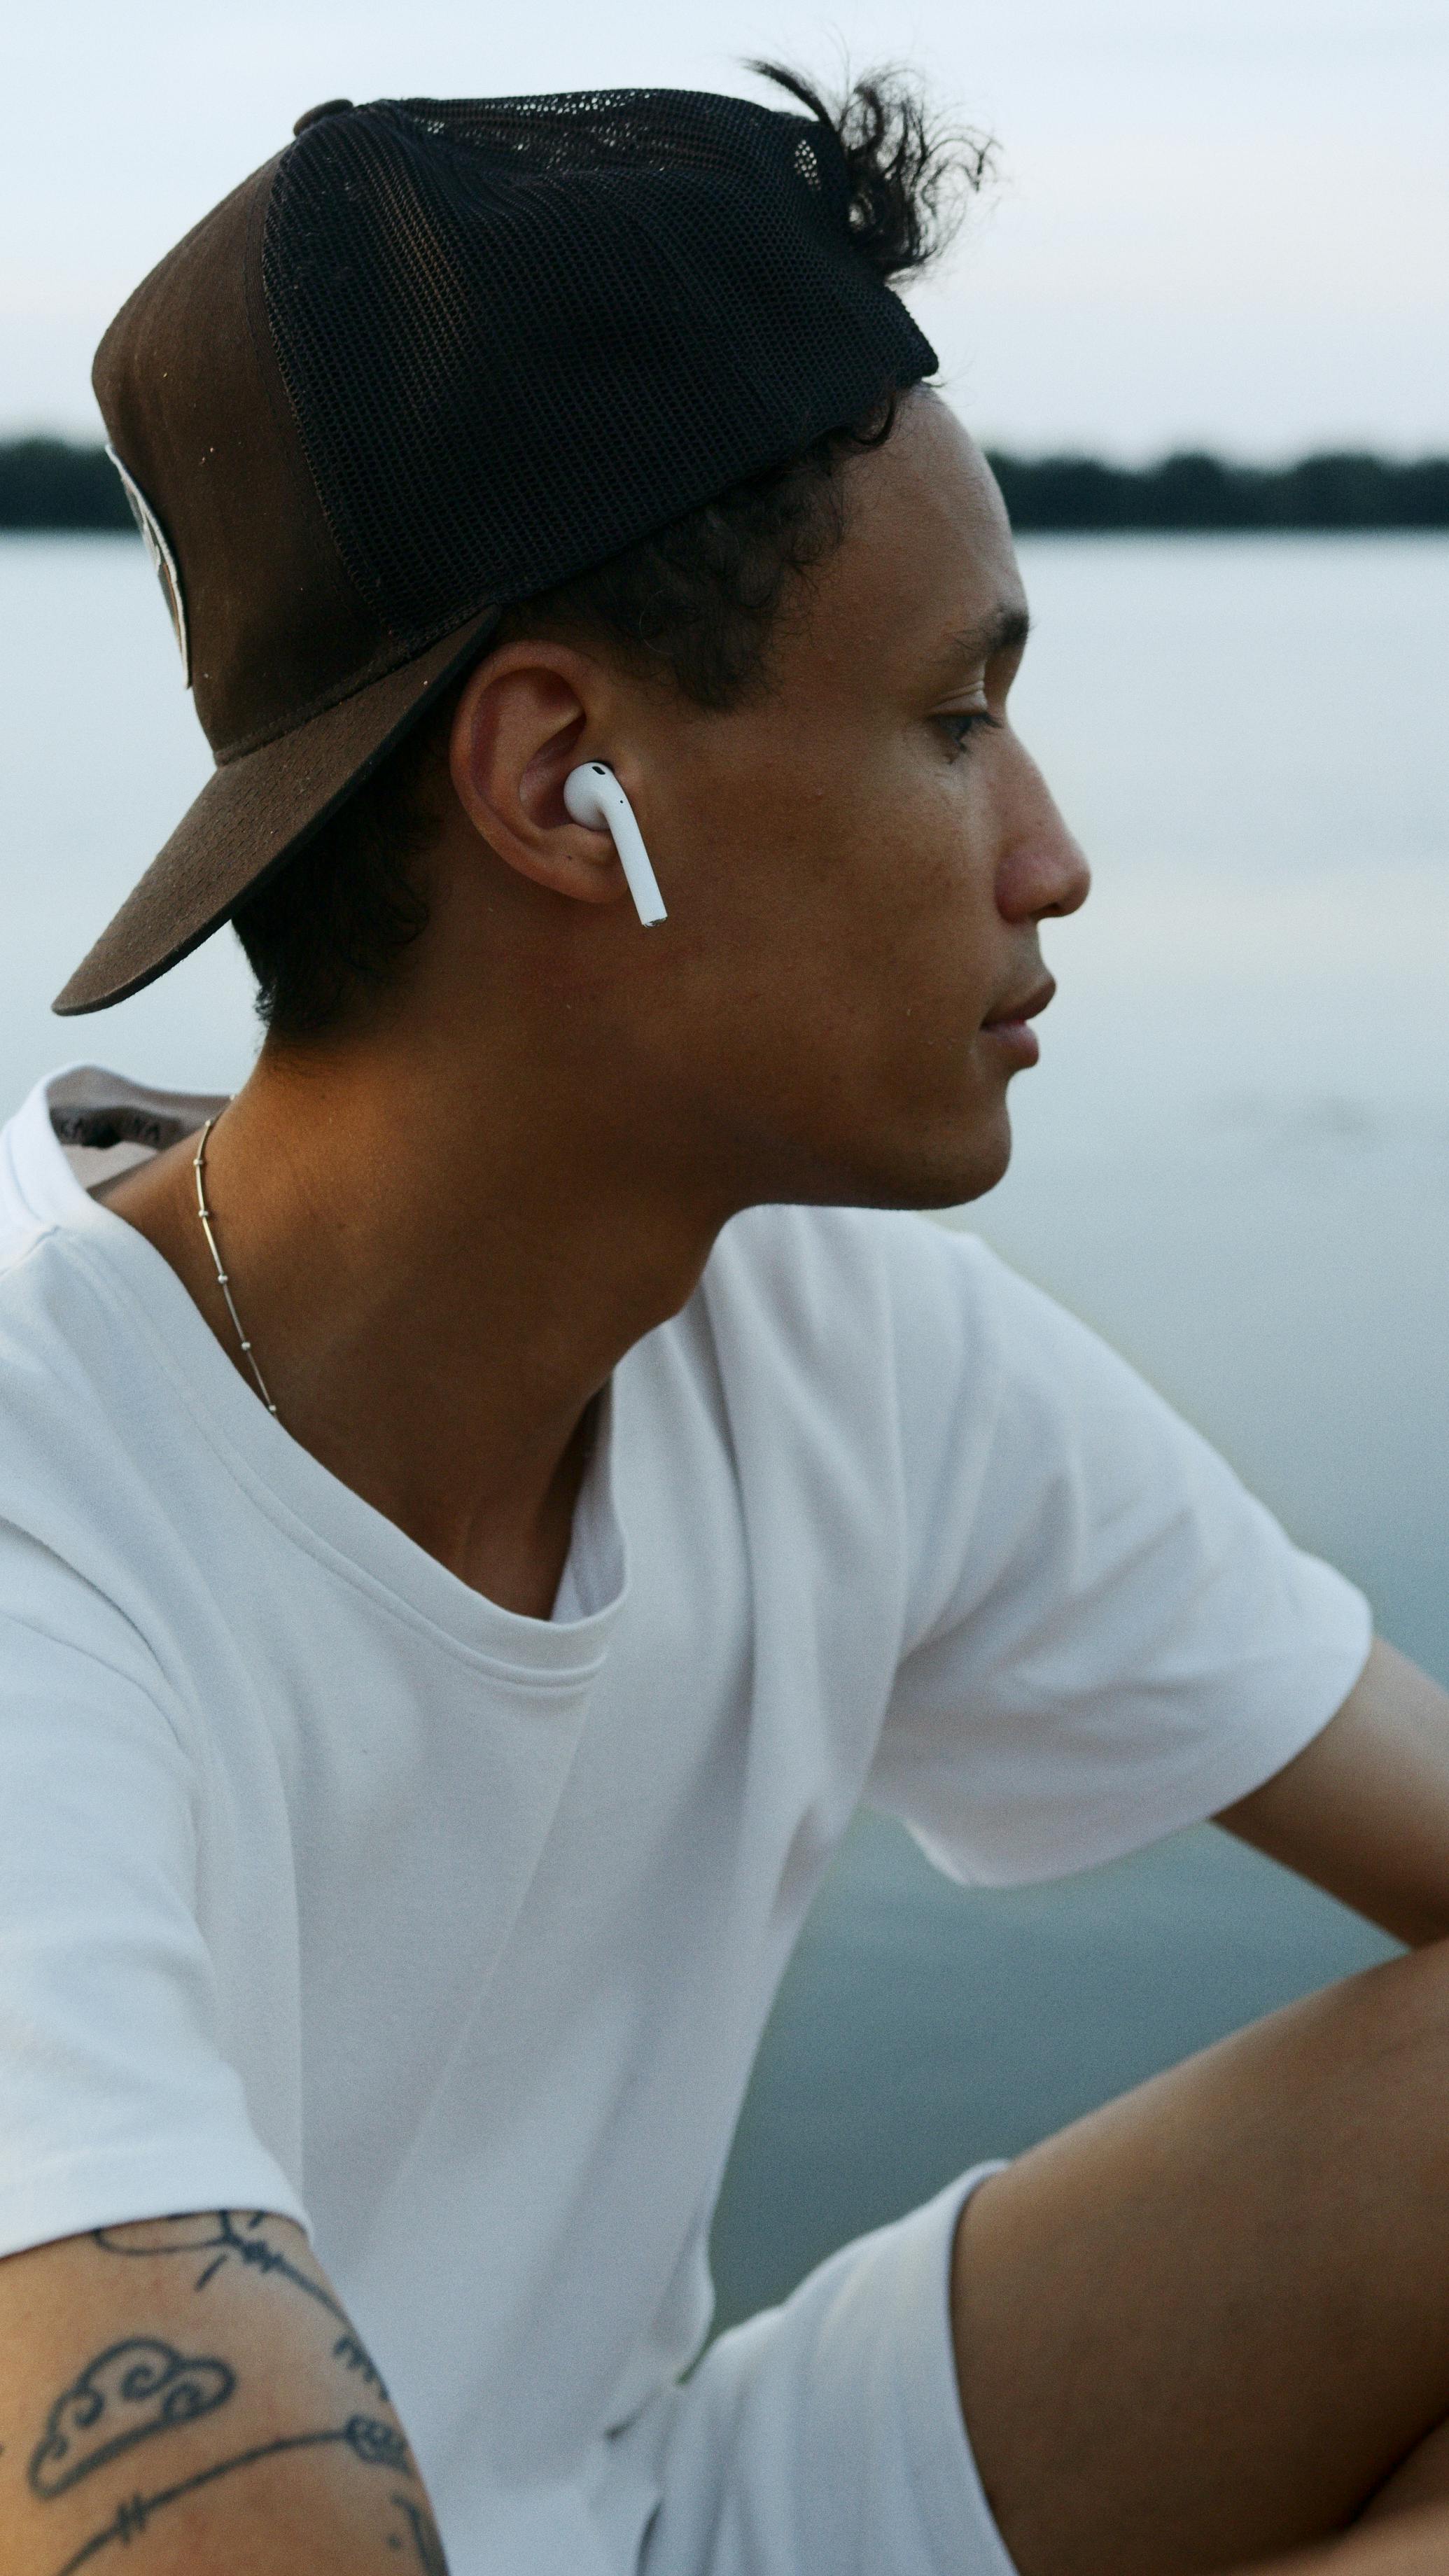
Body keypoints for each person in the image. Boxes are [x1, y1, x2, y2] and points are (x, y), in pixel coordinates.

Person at [1, 68, 1447, 2576]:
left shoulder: (844, 1353)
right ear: (570, 787)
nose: (1057, 856)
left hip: (672, 2514)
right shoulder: (52, 1538)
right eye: (955, 715)